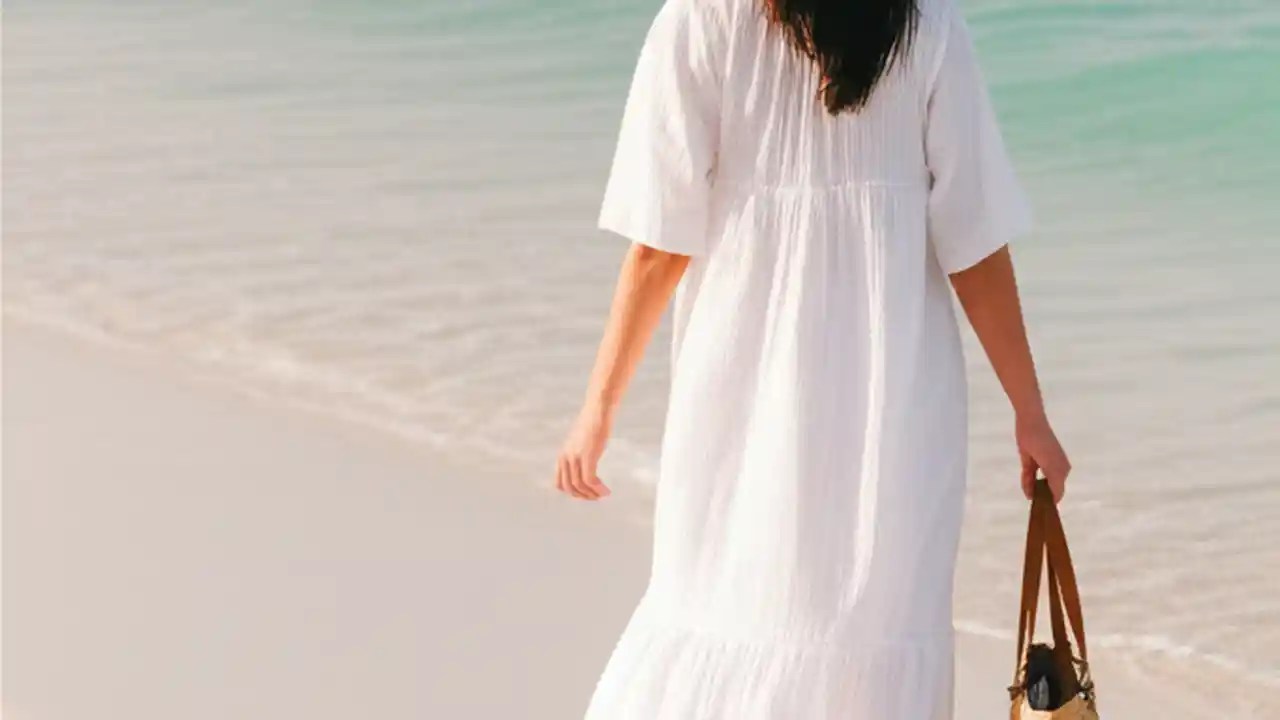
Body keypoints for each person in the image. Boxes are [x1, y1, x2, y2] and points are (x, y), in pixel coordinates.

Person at [554, 0, 1071, 716]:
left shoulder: (700, 21)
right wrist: (1029, 412)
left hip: (742, 386)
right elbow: (974, 242)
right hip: (893, 397)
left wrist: (598, 409)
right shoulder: (928, 26)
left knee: (724, 599)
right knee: (876, 628)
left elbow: (657, 246)